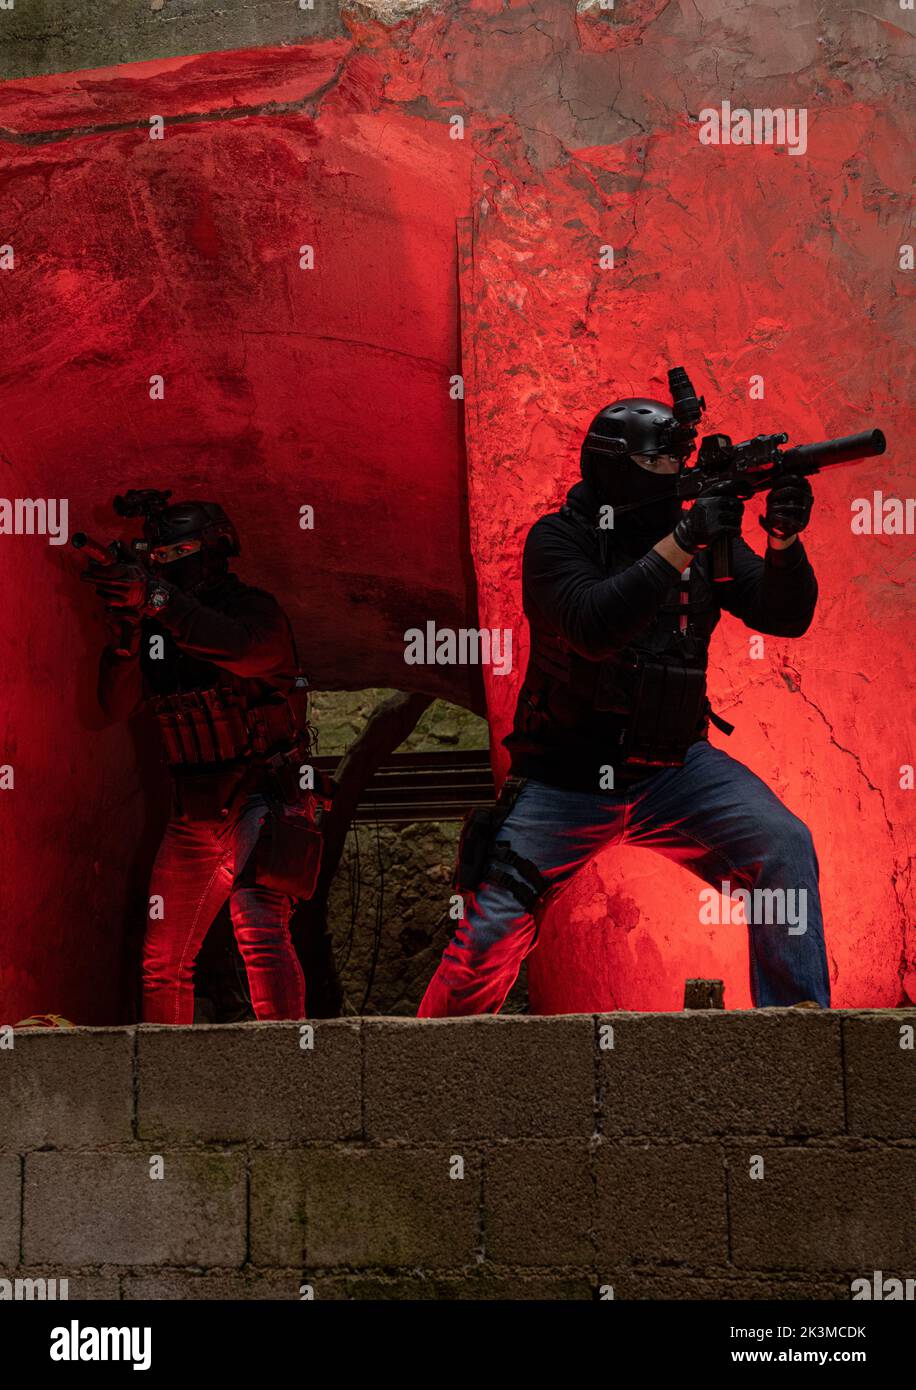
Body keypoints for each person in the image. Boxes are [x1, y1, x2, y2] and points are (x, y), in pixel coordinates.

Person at [419, 395, 830, 1016]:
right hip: (566, 777)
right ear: (614, 465)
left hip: (677, 770)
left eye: (676, 460)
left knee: (783, 846)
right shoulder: (560, 539)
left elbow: (784, 613)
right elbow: (593, 625)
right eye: (656, 460)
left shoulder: (703, 541)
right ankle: (428, 1079)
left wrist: (782, 539)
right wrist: (682, 539)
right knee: (488, 933)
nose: (671, 473)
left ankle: (802, 1041)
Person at [83, 494, 318, 1024]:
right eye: (159, 557)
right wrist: (125, 642)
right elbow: (115, 705)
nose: (168, 564)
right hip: (194, 805)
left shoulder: (252, 608)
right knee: (163, 960)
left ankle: (292, 1068)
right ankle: (166, 1088)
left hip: (266, 792)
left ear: (215, 548)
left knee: (260, 931)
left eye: (178, 552)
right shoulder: (162, 629)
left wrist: (160, 600)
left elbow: (247, 651)